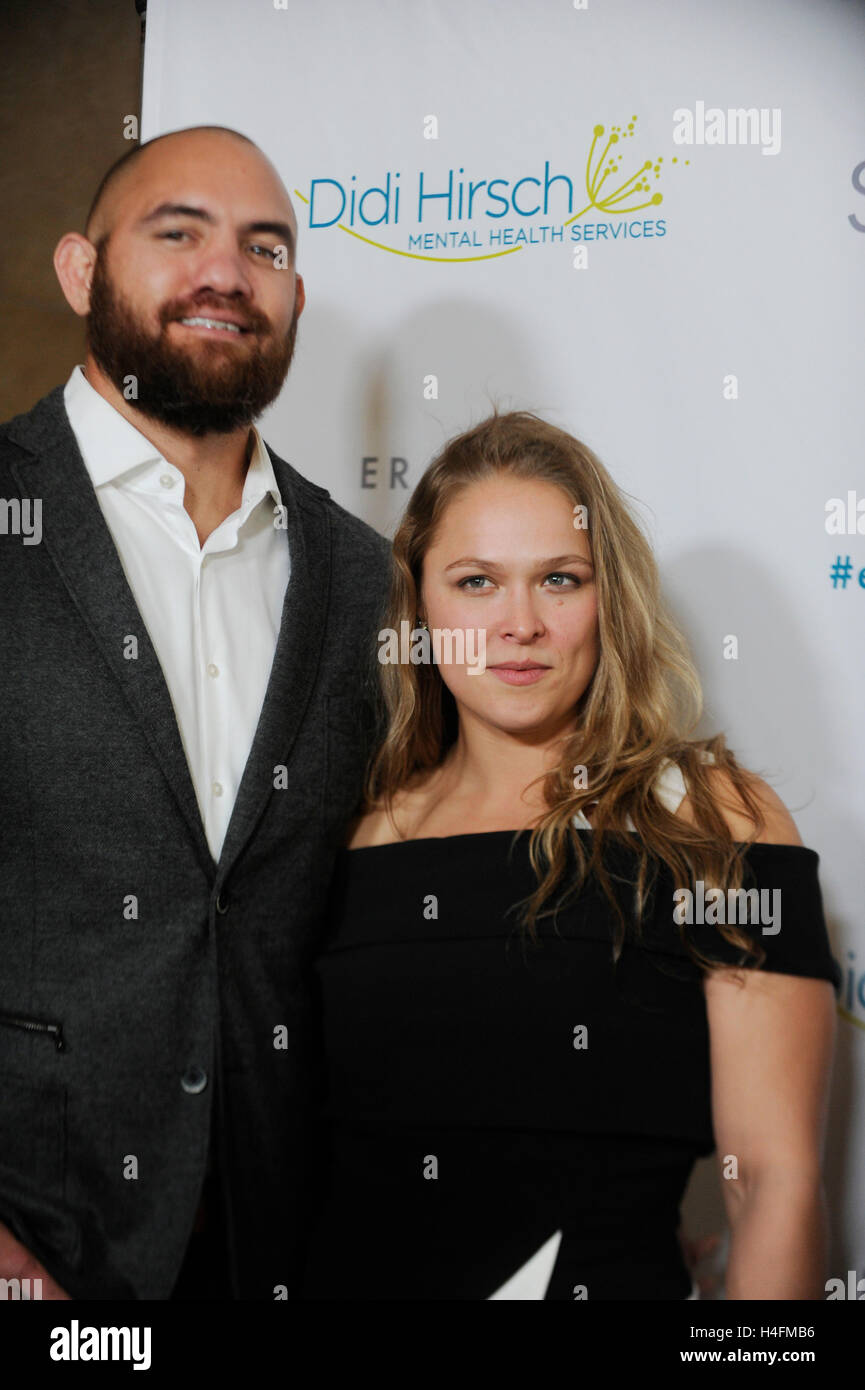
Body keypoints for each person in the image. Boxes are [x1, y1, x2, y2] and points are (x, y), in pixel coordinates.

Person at [300, 411, 840, 1300]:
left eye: (558, 579)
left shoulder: (713, 821)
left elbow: (773, 1188)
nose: (520, 624)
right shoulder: (353, 829)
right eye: (475, 582)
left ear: (608, 598)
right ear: (418, 605)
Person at [0, 126, 389, 1299]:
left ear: (296, 296)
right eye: (179, 233)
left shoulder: (364, 577)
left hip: (283, 1239)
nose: (226, 271)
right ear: (81, 270)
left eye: (263, 247)